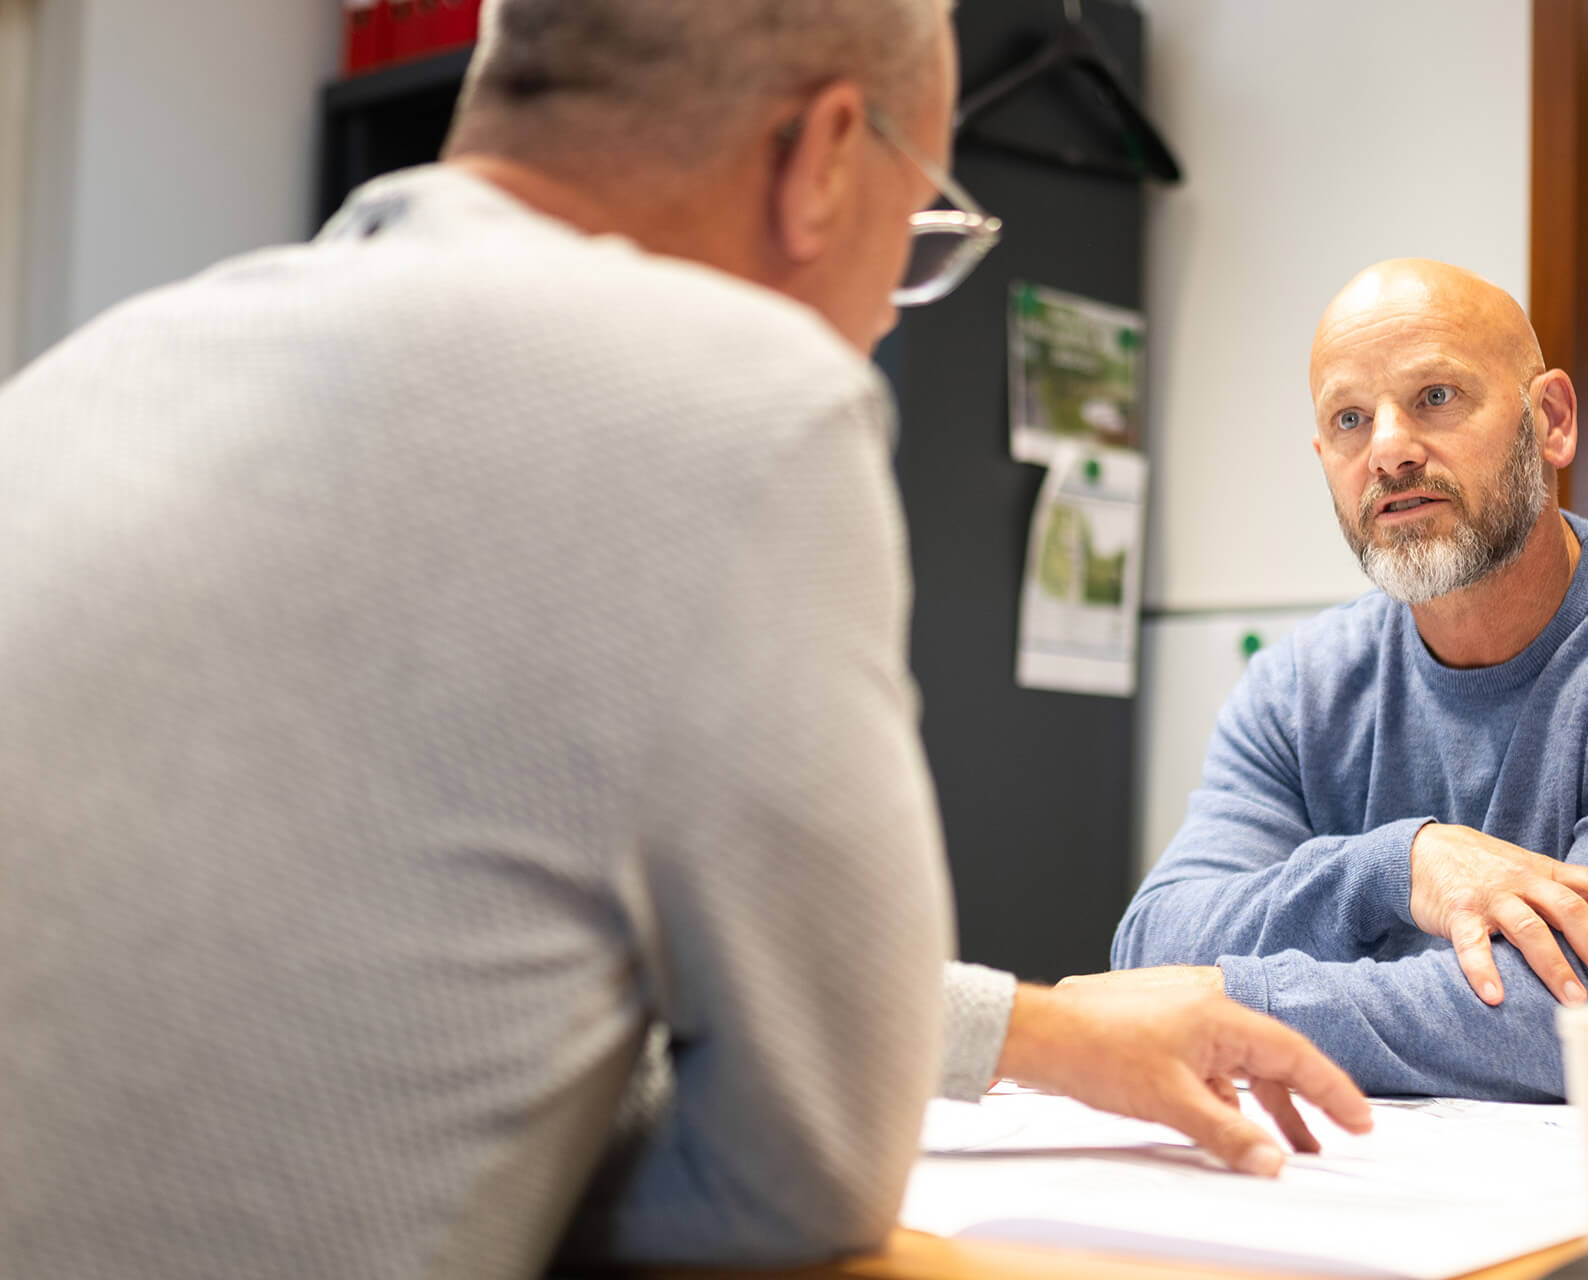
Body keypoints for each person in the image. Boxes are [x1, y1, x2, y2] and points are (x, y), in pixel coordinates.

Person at [0, 3, 1369, 1278]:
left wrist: (1031, 1031)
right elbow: (799, 1175)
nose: (886, 307)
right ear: (824, 158)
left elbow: (379, 955)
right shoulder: (742, 405)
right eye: (917, 225)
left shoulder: (92, 373)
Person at [1107, 258, 1588, 1107]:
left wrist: (1216, 1008)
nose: (1388, 449)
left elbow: (1582, 1021)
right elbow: (1155, 941)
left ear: (1552, 421)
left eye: (1436, 396)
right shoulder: (1296, 689)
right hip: (1394, 1160)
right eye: (1350, 419)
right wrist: (1399, 866)